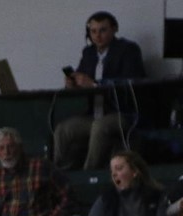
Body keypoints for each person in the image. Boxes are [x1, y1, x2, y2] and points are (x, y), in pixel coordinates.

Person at [53, 11, 146, 171]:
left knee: (99, 127)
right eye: (93, 31)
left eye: (103, 30)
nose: (98, 36)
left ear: (114, 29)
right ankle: (60, 174)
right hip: (93, 115)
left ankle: (88, 174)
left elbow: (131, 84)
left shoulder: (128, 50)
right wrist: (73, 84)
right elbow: (82, 81)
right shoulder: (88, 53)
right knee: (64, 129)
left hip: (122, 113)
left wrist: (95, 85)